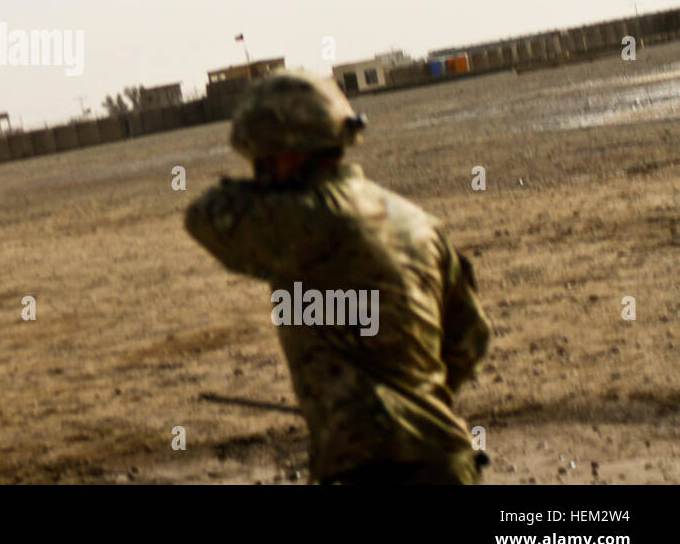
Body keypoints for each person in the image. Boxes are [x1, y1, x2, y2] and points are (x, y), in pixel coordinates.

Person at [184, 71, 493, 484]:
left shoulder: (306, 220)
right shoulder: (417, 222)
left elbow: (205, 217)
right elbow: (470, 336)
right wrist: (415, 403)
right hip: (446, 462)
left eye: (261, 159)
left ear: (287, 154)